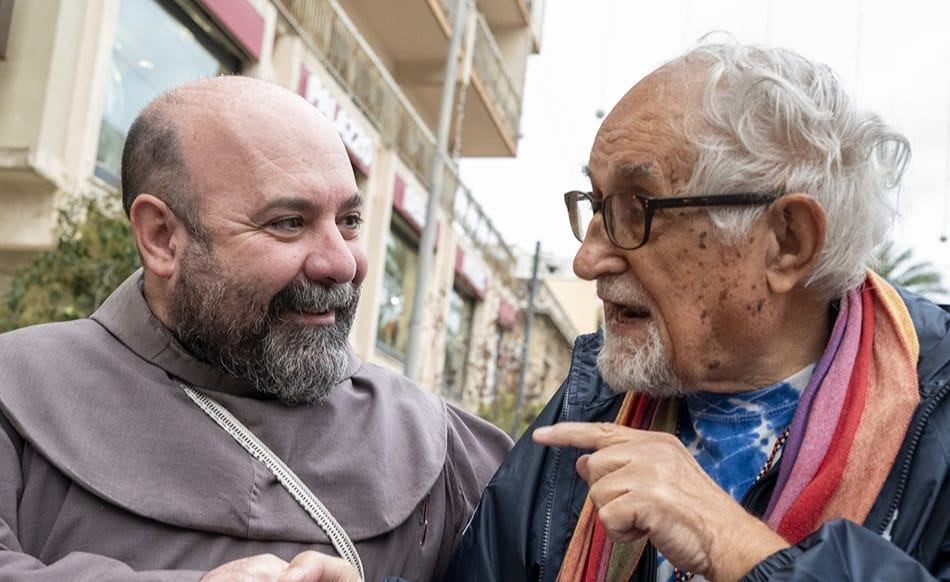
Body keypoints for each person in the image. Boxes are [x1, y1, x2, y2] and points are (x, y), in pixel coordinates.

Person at [443, 41, 950, 582]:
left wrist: (728, 541)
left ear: (787, 241)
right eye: (596, 205)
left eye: (637, 209)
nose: (587, 261)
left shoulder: (935, 416)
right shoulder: (594, 399)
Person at [0, 76, 511, 582]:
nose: (341, 263)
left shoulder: (441, 447)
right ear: (161, 237)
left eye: (349, 221)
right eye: (289, 222)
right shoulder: (16, 393)